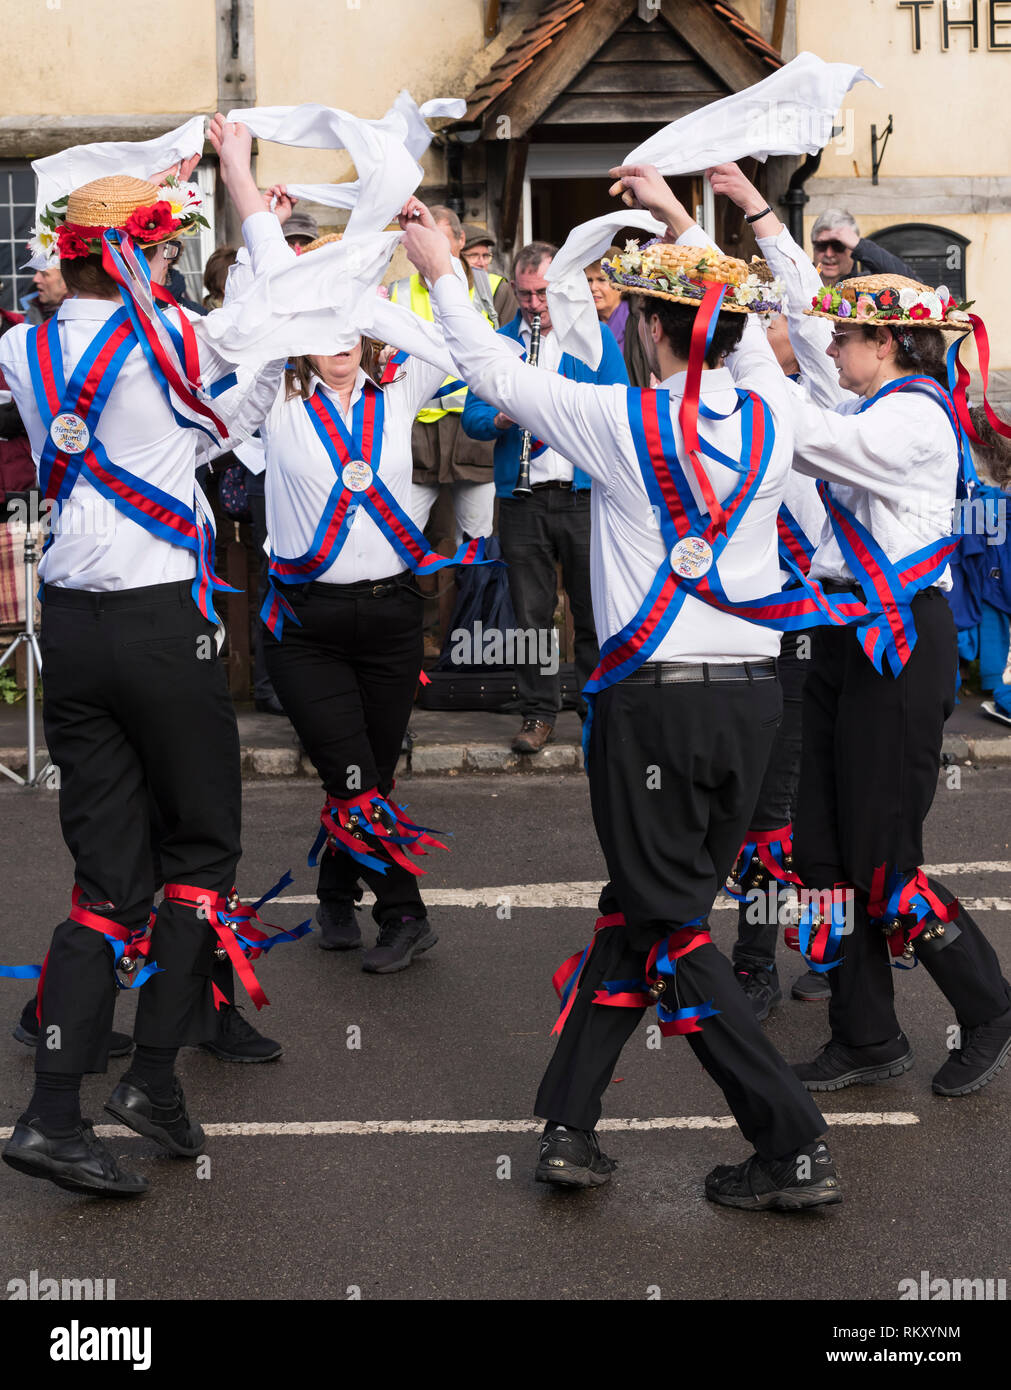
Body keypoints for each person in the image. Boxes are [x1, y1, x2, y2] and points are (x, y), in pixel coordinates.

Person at [396, 165, 843, 1211]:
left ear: (644, 327)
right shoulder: (778, 412)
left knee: (671, 918)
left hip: (654, 706)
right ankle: (570, 1123)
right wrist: (706, 226)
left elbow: (492, 377)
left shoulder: (618, 420)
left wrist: (439, 273)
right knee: (641, 908)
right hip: (754, 698)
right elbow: (813, 356)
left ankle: (794, 1142)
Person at [0, 119, 316, 1197]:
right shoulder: (174, 338)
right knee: (202, 853)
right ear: (136, 258)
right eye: (163, 250)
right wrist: (235, 181)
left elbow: (208, 427)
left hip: (71, 633)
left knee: (103, 881)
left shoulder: (22, 348)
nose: (176, 265)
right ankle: (151, 1077)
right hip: (157, 625)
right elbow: (283, 305)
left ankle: (53, 1114)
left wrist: (142, 199)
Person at [711, 161, 1011, 1097]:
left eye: (848, 337)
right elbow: (801, 328)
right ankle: (867, 1035)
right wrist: (753, 216)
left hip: (900, 641)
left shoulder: (914, 422)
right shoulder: (874, 395)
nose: (830, 346)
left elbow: (805, 431)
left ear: (883, 344)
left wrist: (734, 343)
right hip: (844, 634)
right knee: (824, 856)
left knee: (883, 858)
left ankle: (987, 1003)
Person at [217, 150, 493, 972]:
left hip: (393, 615)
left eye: (353, 330)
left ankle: (338, 894)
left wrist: (409, 252)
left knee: (367, 774)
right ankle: (405, 914)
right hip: (305, 625)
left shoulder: (400, 387)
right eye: (323, 330)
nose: (340, 345)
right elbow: (249, 324)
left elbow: (464, 348)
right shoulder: (273, 402)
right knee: (350, 771)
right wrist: (252, 213)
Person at [461, 241, 626, 755]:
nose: (534, 305)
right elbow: (472, 417)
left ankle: (598, 710)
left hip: (581, 495)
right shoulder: (499, 344)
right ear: (513, 288)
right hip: (522, 497)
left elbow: (620, 406)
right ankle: (538, 713)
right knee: (530, 615)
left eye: (544, 295)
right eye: (526, 294)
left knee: (593, 606)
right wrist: (504, 416)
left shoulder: (594, 338)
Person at [391, 205, 498, 554]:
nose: (429, 247)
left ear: (460, 240)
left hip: (475, 439)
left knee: (477, 542)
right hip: (418, 443)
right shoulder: (396, 293)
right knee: (400, 536)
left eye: (438, 238)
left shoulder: (494, 289)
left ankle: (479, 611)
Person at [585, 248, 651, 387]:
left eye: (601, 280)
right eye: (589, 280)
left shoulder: (641, 321)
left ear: (620, 284)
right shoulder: (583, 324)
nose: (593, 287)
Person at [810, 208, 918, 286]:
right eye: (821, 245)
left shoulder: (867, 284)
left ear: (852, 248)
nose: (829, 254)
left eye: (838, 246)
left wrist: (860, 246)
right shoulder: (799, 283)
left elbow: (914, 284)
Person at [460, 224, 518, 326]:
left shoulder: (501, 287)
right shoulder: (442, 283)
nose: (482, 263)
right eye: (474, 255)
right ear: (457, 256)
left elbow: (509, 335)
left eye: (485, 256)